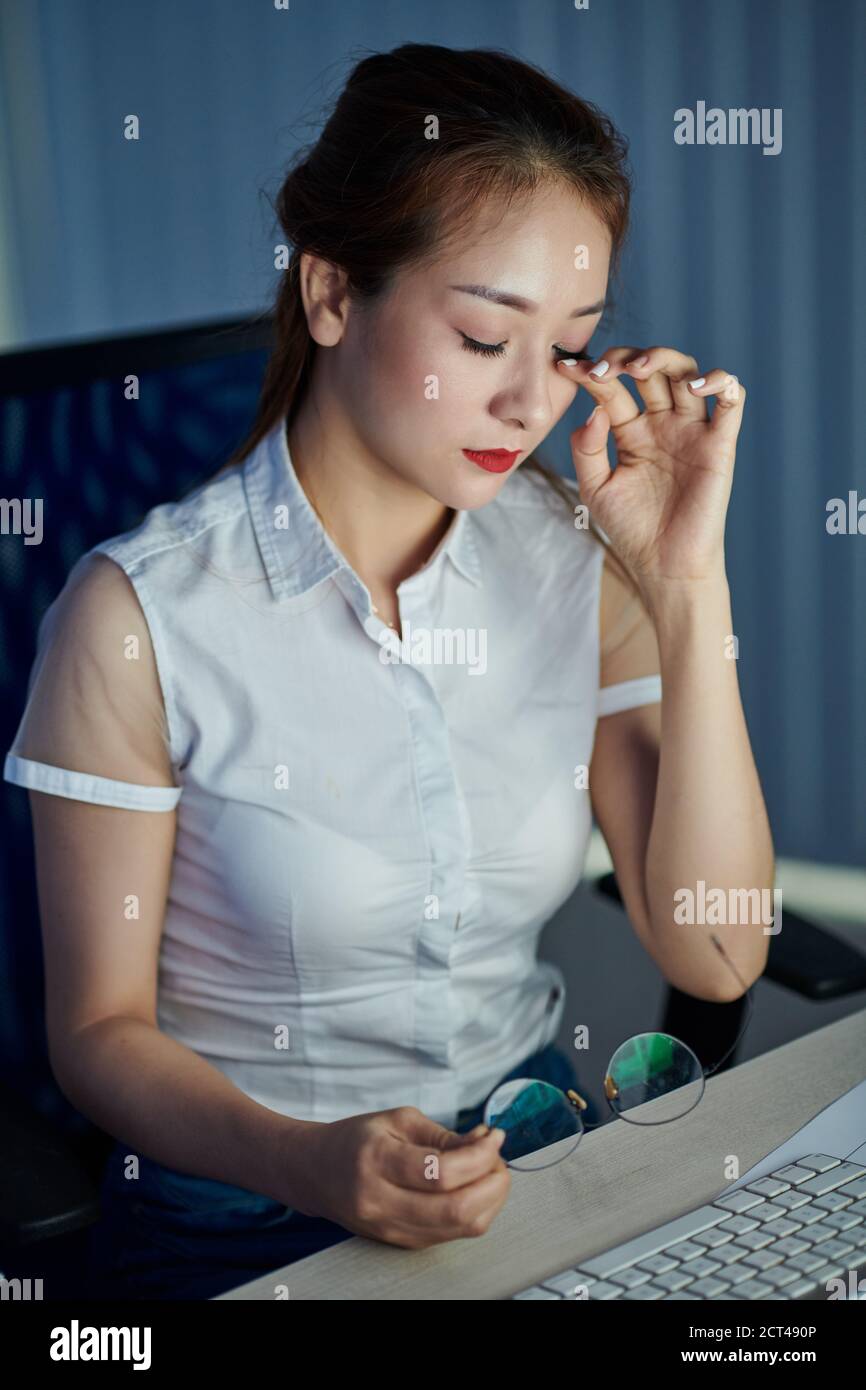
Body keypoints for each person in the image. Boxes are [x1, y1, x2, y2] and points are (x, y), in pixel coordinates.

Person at [4, 42, 773, 1301]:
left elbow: (718, 958)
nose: (532, 403)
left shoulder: (582, 565)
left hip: (531, 1170)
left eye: (571, 346)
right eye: (482, 336)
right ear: (329, 295)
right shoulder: (137, 616)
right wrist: (313, 1163)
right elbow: (96, 1038)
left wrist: (686, 585)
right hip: (246, 1218)